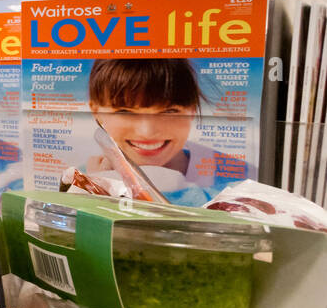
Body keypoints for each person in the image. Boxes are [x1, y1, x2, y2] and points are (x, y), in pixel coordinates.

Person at [85, 58, 250, 203]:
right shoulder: (85, 176)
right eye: (125, 112)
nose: (147, 133)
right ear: (95, 112)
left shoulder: (243, 180)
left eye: (169, 111)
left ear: (192, 111)